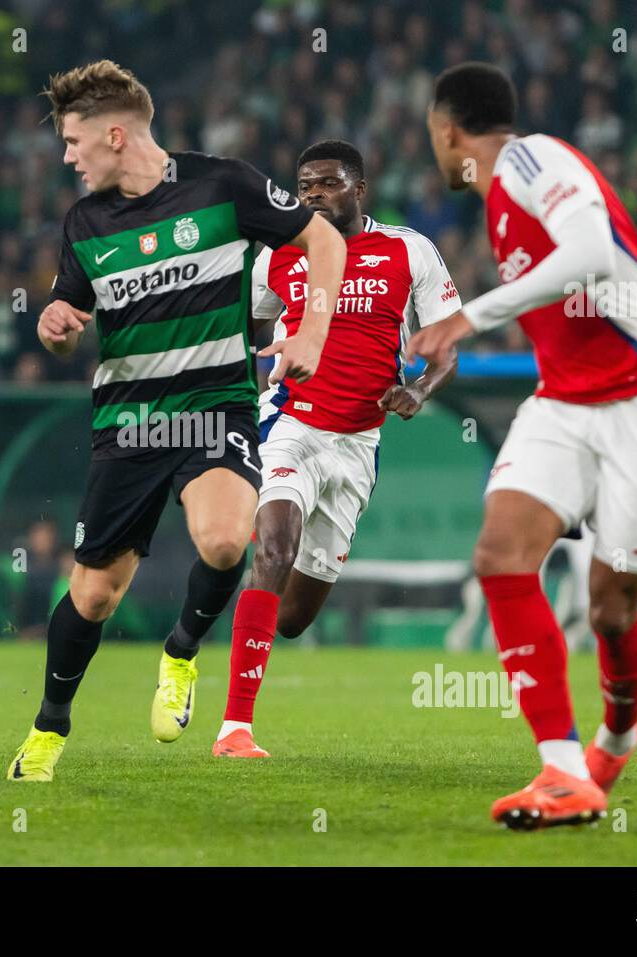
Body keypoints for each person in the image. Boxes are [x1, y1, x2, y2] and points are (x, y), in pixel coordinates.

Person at [8, 60, 347, 781]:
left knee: (226, 540)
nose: (67, 157)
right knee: (94, 594)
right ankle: (49, 725)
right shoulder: (85, 222)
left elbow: (326, 241)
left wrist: (312, 333)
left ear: (117, 134)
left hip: (213, 407)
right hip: (128, 424)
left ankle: (182, 649)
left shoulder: (222, 185)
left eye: (74, 142)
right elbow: (67, 318)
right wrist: (56, 323)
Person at [409, 62, 637, 828]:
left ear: (448, 131)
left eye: (432, 135)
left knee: (611, 608)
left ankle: (618, 731)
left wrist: (467, 318)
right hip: (566, 400)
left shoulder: (532, 159)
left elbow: (592, 256)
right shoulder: (496, 203)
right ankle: (564, 768)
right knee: (500, 554)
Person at [214, 139, 461, 758]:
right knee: (274, 544)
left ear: (360, 189)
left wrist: (421, 387)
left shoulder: (408, 251)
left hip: (357, 445)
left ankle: (244, 608)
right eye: (304, 187)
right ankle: (234, 728)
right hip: (290, 423)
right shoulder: (279, 255)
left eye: (328, 184)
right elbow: (238, 324)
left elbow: (445, 344)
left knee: (292, 618)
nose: (314, 196)